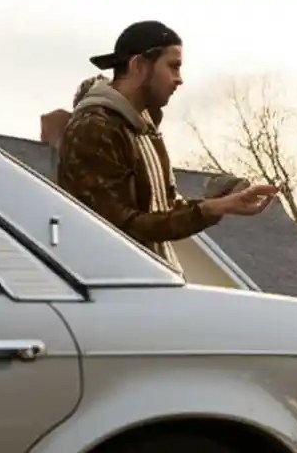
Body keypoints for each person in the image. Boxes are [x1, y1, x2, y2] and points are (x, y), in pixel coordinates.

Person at [57, 20, 279, 271]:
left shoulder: (144, 125)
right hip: (117, 292)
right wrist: (209, 210)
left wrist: (226, 204)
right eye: (173, 67)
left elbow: (163, 210)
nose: (179, 79)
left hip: (150, 286)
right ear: (139, 65)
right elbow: (117, 229)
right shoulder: (95, 128)